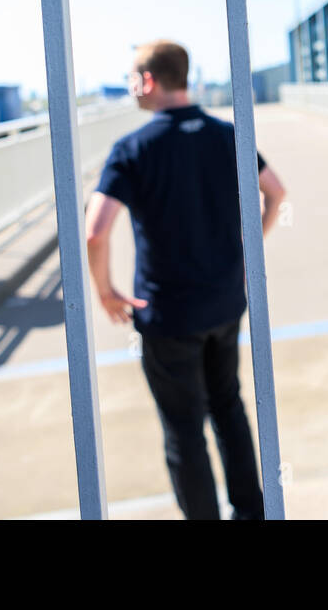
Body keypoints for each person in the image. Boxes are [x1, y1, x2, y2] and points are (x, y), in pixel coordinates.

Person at [85, 39, 286, 520]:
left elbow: (95, 232)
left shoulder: (133, 149)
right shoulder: (227, 136)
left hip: (167, 315)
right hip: (224, 303)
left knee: (183, 429)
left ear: (150, 81)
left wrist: (106, 292)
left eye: (133, 77)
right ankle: (251, 511)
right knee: (229, 407)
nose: (131, 87)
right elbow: (275, 194)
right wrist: (244, 249)